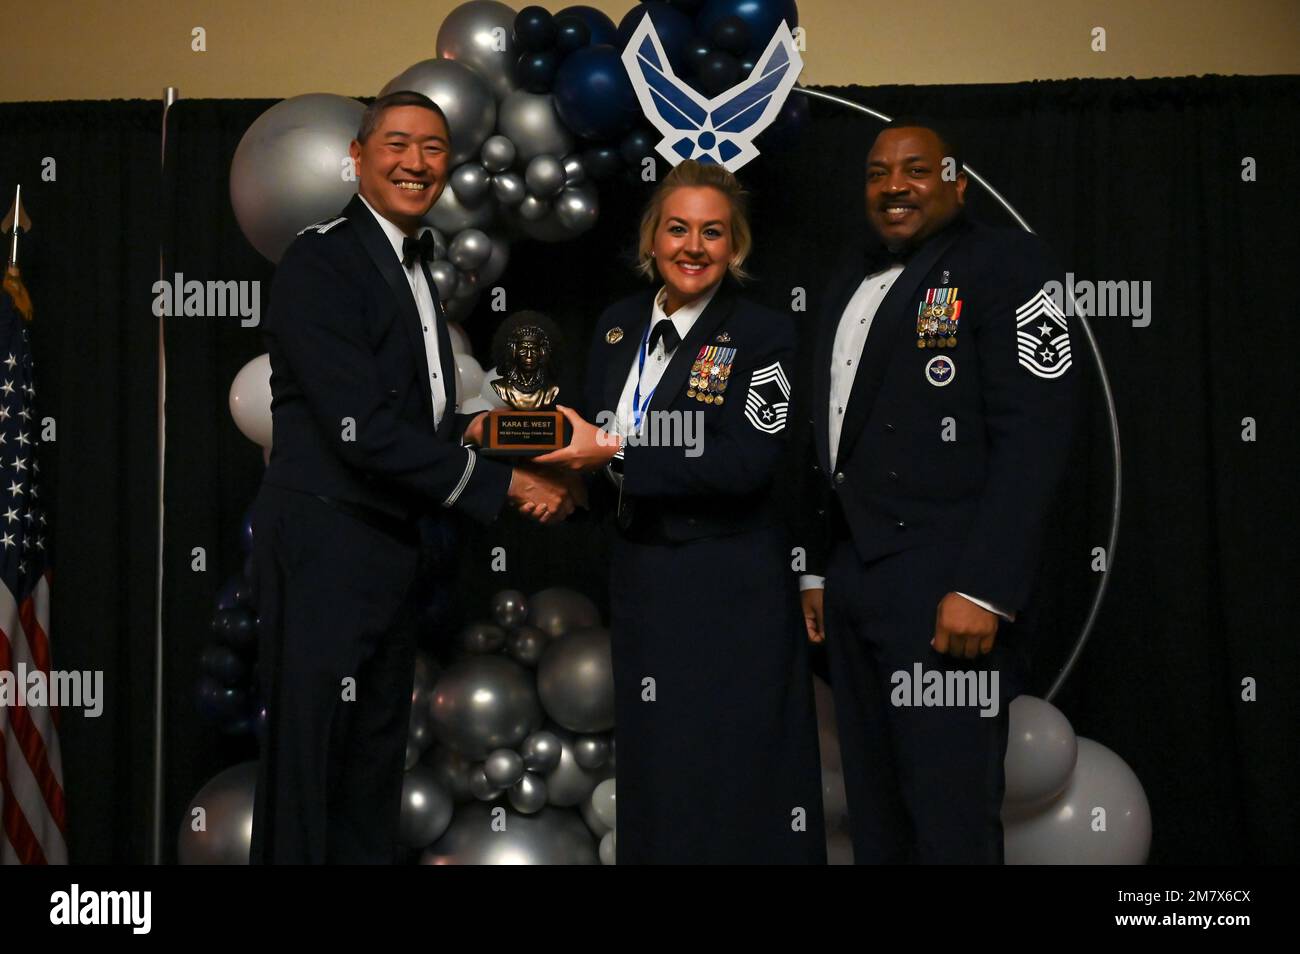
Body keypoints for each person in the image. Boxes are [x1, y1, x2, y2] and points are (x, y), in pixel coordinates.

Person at [249, 90, 576, 864]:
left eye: (433, 148)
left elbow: (434, 424)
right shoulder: (323, 259)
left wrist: (564, 441)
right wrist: (510, 488)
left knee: (371, 768)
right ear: (357, 157)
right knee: (310, 767)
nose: (416, 162)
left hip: (387, 547)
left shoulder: (412, 267)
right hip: (325, 540)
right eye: (397, 143)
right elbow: (361, 432)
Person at [796, 120, 1080, 863]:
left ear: (957, 182)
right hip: (858, 580)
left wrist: (986, 588)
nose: (894, 185)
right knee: (878, 819)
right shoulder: (849, 274)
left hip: (946, 585)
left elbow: (1039, 431)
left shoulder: (1009, 263)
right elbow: (830, 435)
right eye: (878, 173)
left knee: (948, 818)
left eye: (916, 170)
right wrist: (822, 567)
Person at [535, 160, 825, 864]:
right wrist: (567, 492)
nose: (694, 247)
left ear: (736, 246)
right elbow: (599, 452)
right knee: (657, 778)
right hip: (642, 587)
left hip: (730, 593)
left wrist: (613, 456)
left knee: (735, 778)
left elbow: (746, 462)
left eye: (713, 232)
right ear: (651, 240)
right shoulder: (615, 326)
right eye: (678, 229)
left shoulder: (761, 334)